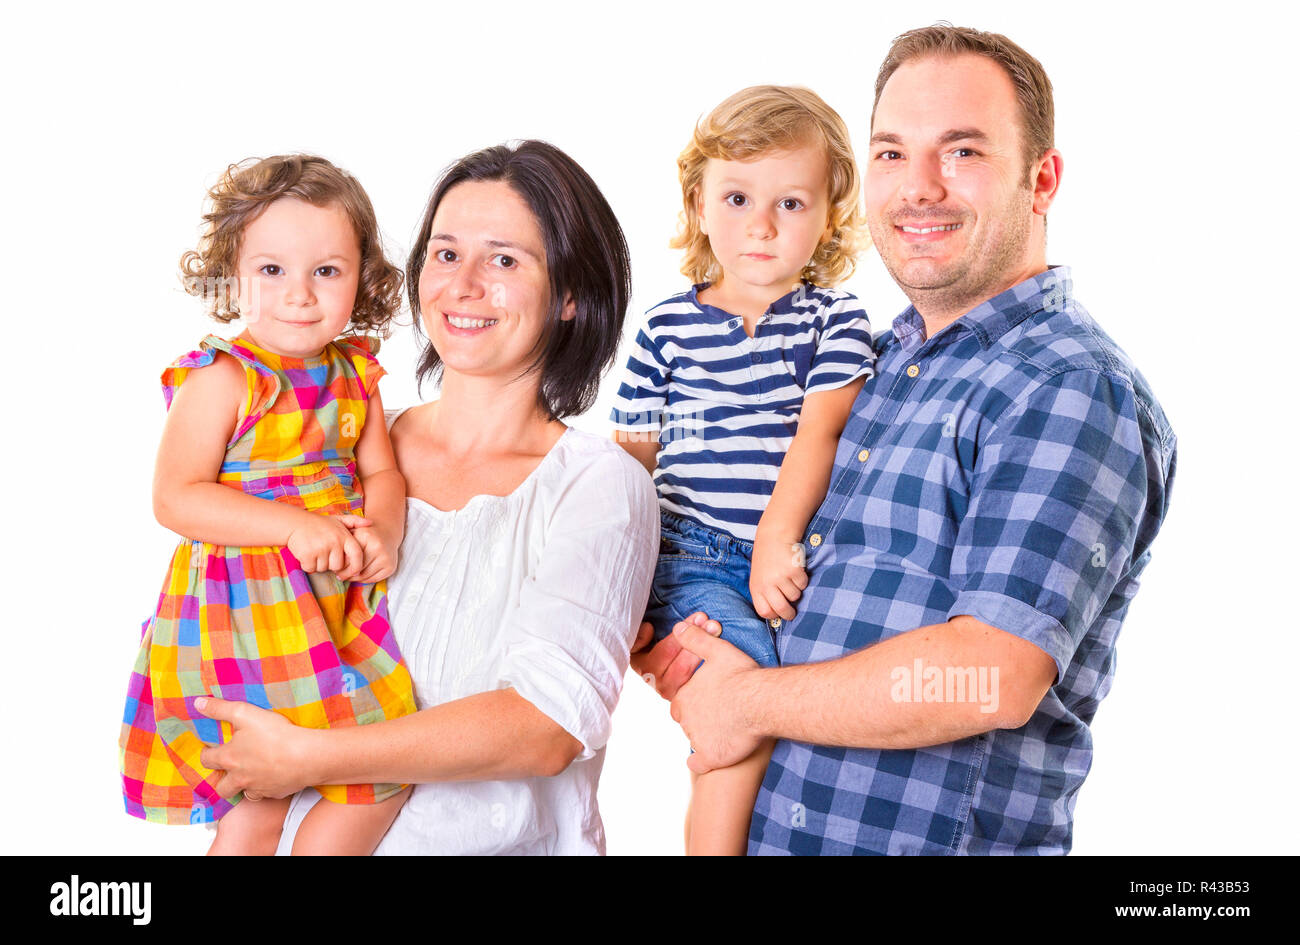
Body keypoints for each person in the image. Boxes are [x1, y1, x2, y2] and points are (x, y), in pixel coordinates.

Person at [635, 24, 1177, 855]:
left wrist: (747, 702)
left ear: (1042, 179)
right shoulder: (875, 362)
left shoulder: (1067, 384)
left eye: (962, 151)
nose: (919, 187)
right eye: (892, 153)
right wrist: (694, 638)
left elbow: (993, 673)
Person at [192, 140, 659, 855]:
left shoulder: (597, 485)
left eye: (504, 261)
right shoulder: (337, 450)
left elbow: (546, 728)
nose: (462, 285)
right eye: (445, 254)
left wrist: (308, 758)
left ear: (571, 295)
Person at [118, 154, 418, 855]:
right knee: (257, 798)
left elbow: (382, 470)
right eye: (272, 270)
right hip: (240, 616)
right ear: (231, 275)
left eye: (327, 270)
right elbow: (175, 496)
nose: (300, 295)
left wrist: (385, 530)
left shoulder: (356, 375)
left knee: (376, 773)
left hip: (330, 608)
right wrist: (293, 526)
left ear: (363, 277)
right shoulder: (224, 377)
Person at [610, 86, 875, 855]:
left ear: (830, 214)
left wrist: (775, 539)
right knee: (743, 704)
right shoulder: (666, 328)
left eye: (791, 202)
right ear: (699, 204)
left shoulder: (835, 320)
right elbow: (628, 463)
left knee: (805, 715)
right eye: (736, 198)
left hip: (784, 555)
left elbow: (819, 434)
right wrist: (615, 588)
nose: (761, 224)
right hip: (689, 553)